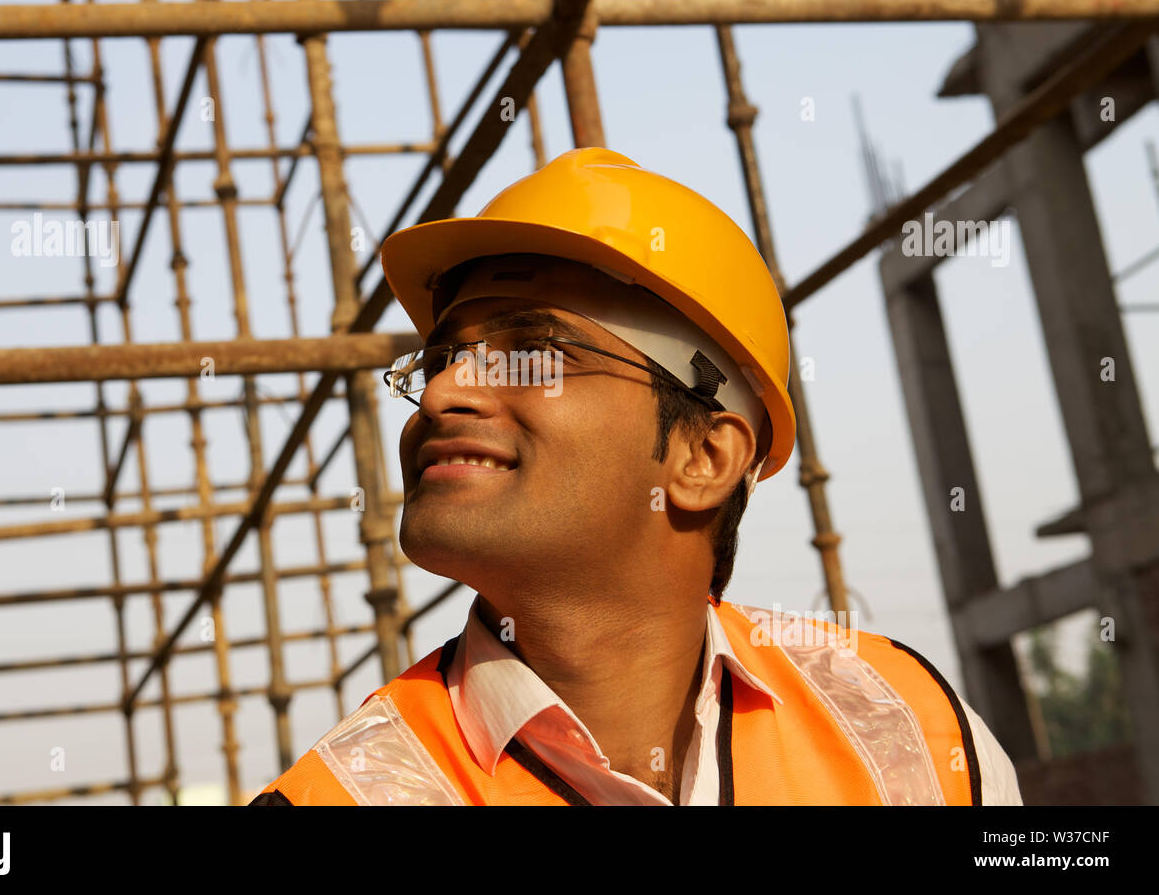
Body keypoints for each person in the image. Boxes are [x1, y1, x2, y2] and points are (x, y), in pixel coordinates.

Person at [250, 146, 1022, 806]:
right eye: (441, 360)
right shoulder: (348, 794)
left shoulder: (906, 732)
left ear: (704, 457)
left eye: (533, 355)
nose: (444, 393)